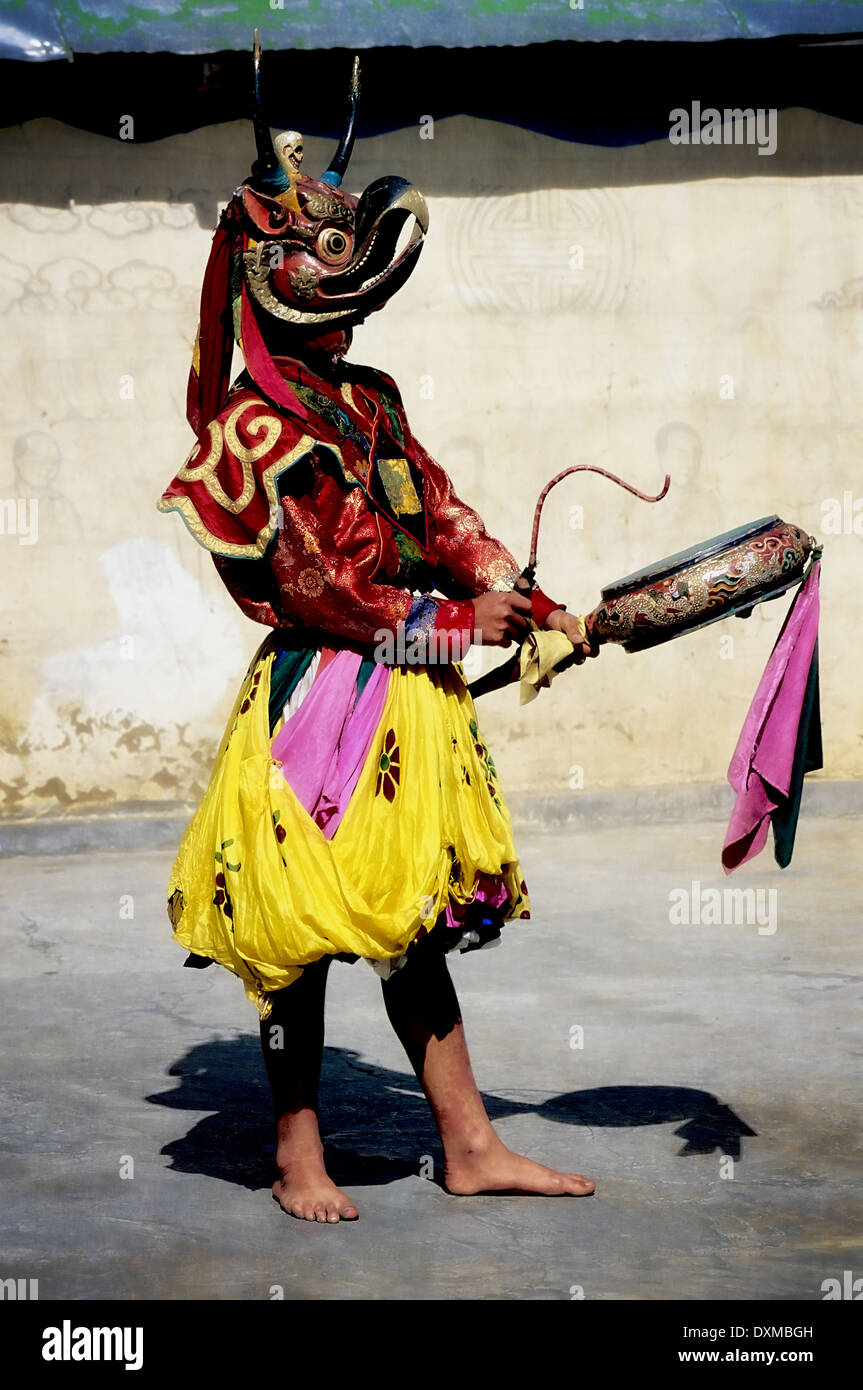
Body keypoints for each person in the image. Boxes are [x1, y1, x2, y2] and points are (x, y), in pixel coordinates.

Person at [158, 42, 598, 1222]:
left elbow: (441, 514)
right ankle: (297, 1156)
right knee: (294, 935)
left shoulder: (371, 400)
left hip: (411, 689)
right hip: (319, 694)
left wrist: (519, 590)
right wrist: (457, 618)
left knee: (413, 926)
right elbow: (309, 588)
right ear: (269, 273)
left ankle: (468, 1143)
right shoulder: (247, 432)